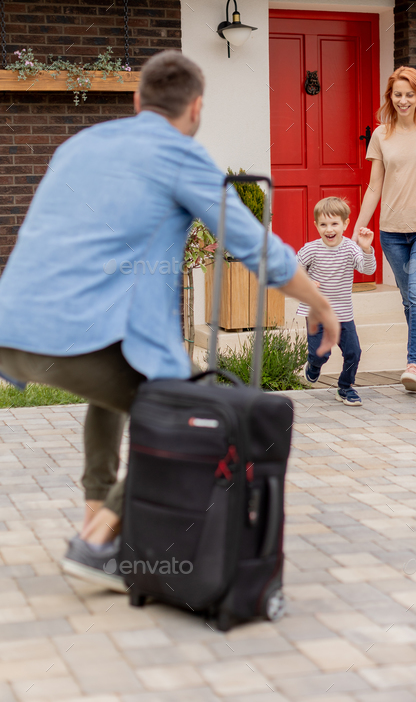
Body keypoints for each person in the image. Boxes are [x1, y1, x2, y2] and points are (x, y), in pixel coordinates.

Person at [0, 51, 340, 590]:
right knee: (197, 415)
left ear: (138, 101)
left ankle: (96, 518)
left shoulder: (79, 145)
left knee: (131, 386)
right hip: (75, 334)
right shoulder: (180, 155)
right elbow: (251, 244)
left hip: (14, 327)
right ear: (196, 108)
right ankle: (96, 543)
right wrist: (319, 302)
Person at [352, 67, 416, 393]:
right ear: (390, 97)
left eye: (409, 94)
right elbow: (374, 186)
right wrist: (358, 227)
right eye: (398, 94)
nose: (403, 100)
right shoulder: (381, 135)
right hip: (392, 232)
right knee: (410, 299)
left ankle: (413, 364)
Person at [297, 197, 376, 405]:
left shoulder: (351, 248)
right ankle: (313, 365)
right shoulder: (311, 249)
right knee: (320, 354)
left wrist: (367, 249)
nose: (329, 229)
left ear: (345, 224)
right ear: (316, 226)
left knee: (353, 352)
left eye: (334, 223)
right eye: (323, 224)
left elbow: (368, 270)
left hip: (343, 313)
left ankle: (345, 387)